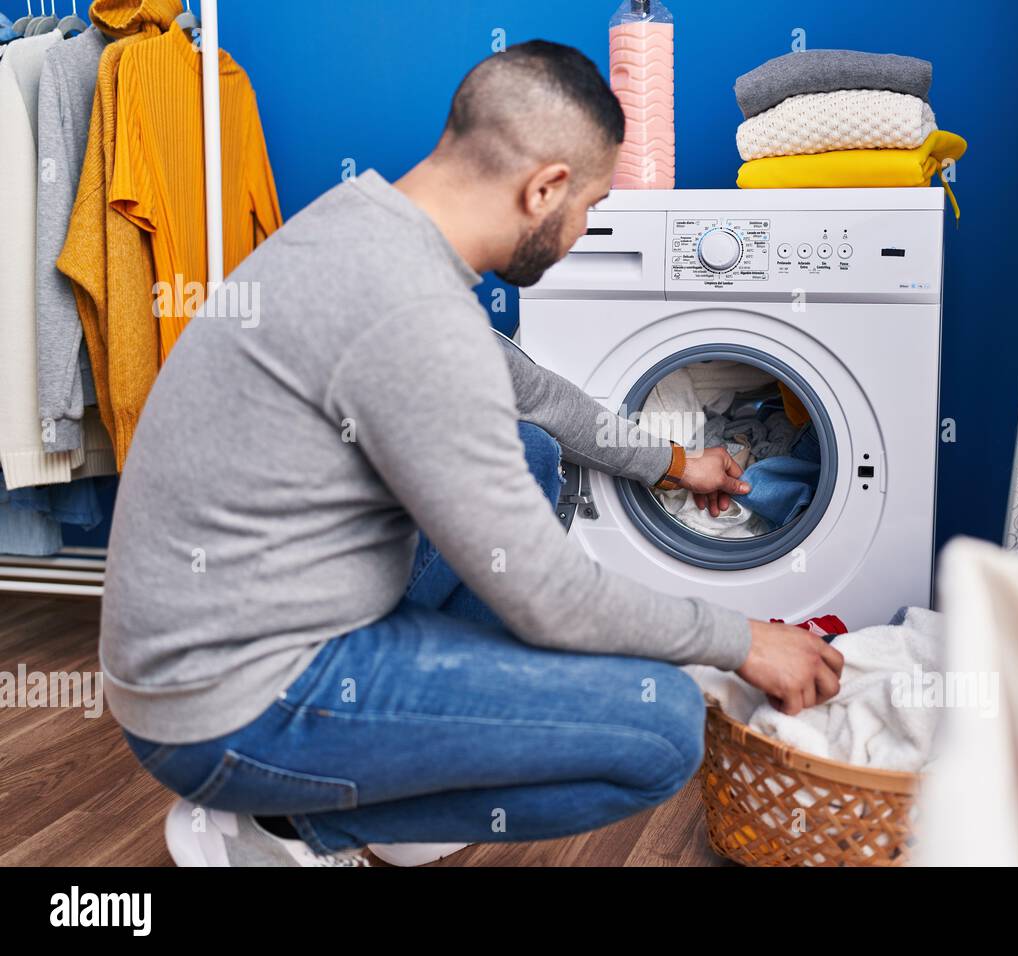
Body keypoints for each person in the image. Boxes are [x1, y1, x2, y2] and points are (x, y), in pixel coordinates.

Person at [100, 40, 843, 867]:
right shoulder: (411, 313)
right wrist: (743, 638)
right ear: (545, 188)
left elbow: (538, 397)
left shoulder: (363, 224)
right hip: (220, 709)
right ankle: (280, 823)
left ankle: (373, 777)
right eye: (591, 204)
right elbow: (548, 598)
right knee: (663, 725)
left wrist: (677, 462)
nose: (586, 228)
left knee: (527, 449)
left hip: (236, 627)